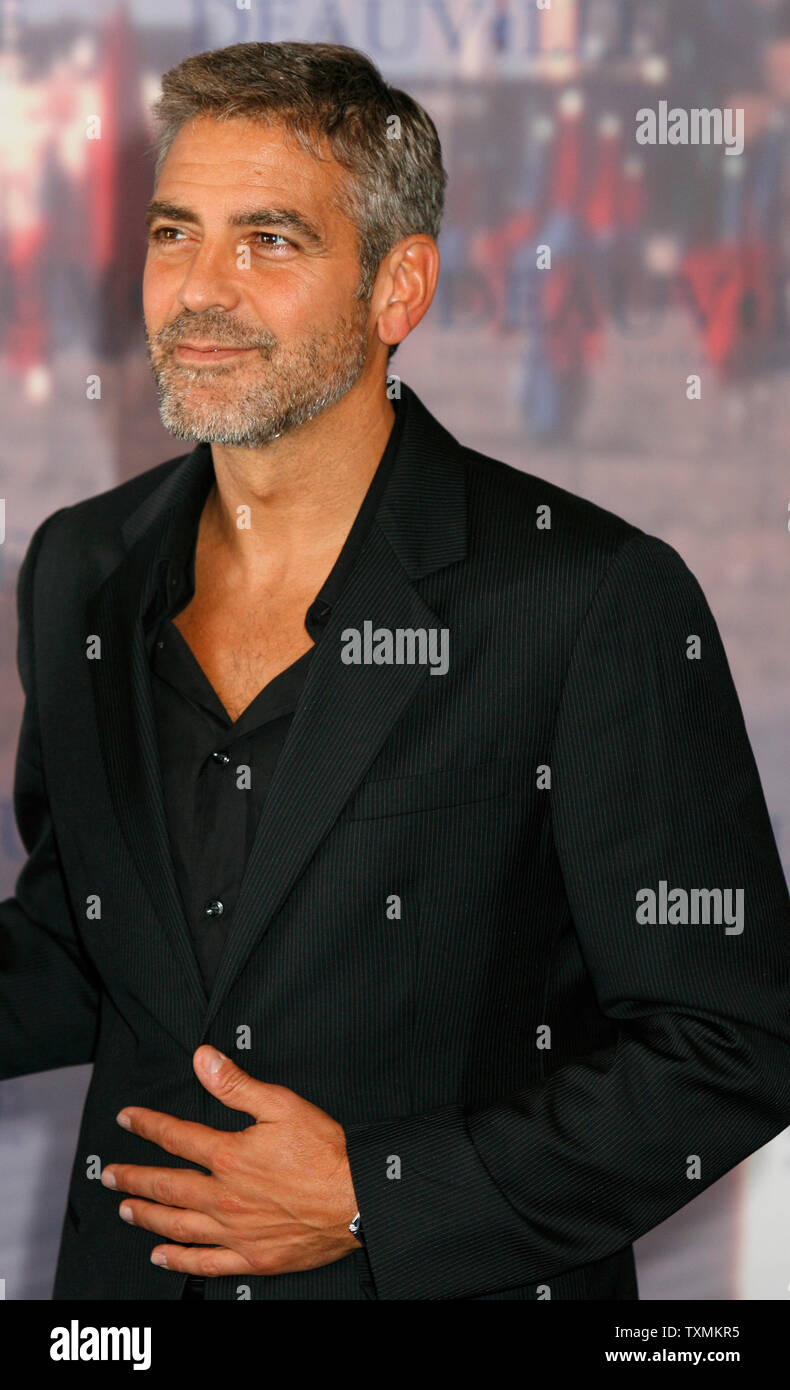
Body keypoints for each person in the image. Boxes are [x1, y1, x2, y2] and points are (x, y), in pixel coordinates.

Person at [2, 40, 789, 1302]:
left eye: (269, 240)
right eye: (171, 233)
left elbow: (732, 1041)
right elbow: (86, 936)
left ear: (396, 288)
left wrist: (376, 1195)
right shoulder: (81, 565)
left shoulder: (585, 598)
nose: (198, 289)